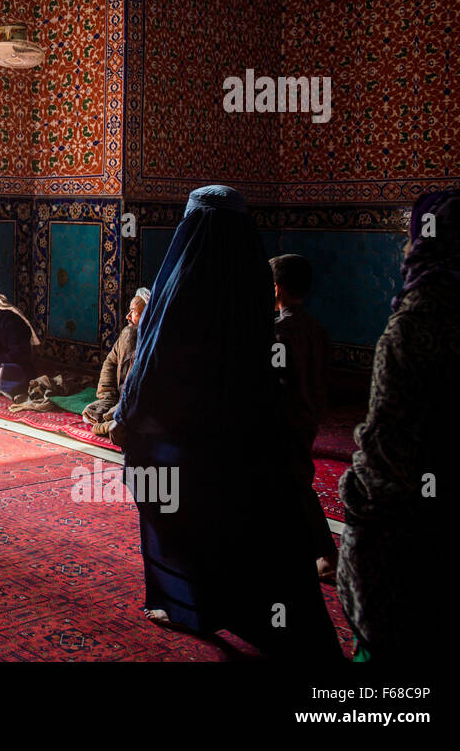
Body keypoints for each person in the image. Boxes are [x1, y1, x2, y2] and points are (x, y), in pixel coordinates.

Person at [110, 185, 340, 659]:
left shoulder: (180, 286)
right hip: (242, 438)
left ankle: (187, 604)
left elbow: (152, 364)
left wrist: (127, 415)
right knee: (241, 524)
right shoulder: (254, 283)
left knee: (178, 517)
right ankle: (246, 613)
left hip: (178, 436)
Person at [338, 188, 460, 662]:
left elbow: (384, 455)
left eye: (410, 237)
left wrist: (357, 506)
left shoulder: (419, 324)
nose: (404, 248)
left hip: (416, 545)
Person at [270, 254, 337, 581]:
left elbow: (276, 382)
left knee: (295, 485)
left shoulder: (279, 333)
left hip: (284, 422)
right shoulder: (316, 330)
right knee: (291, 482)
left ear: (277, 288)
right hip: (309, 417)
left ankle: (326, 555)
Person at [82, 287, 150, 437]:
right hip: (120, 398)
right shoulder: (128, 335)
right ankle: (117, 416)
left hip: (141, 401)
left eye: (133, 312)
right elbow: (110, 363)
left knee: (131, 419)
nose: (127, 316)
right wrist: (108, 397)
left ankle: (119, 417)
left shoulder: (152, 342)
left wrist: (122, 405)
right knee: (91, 412)